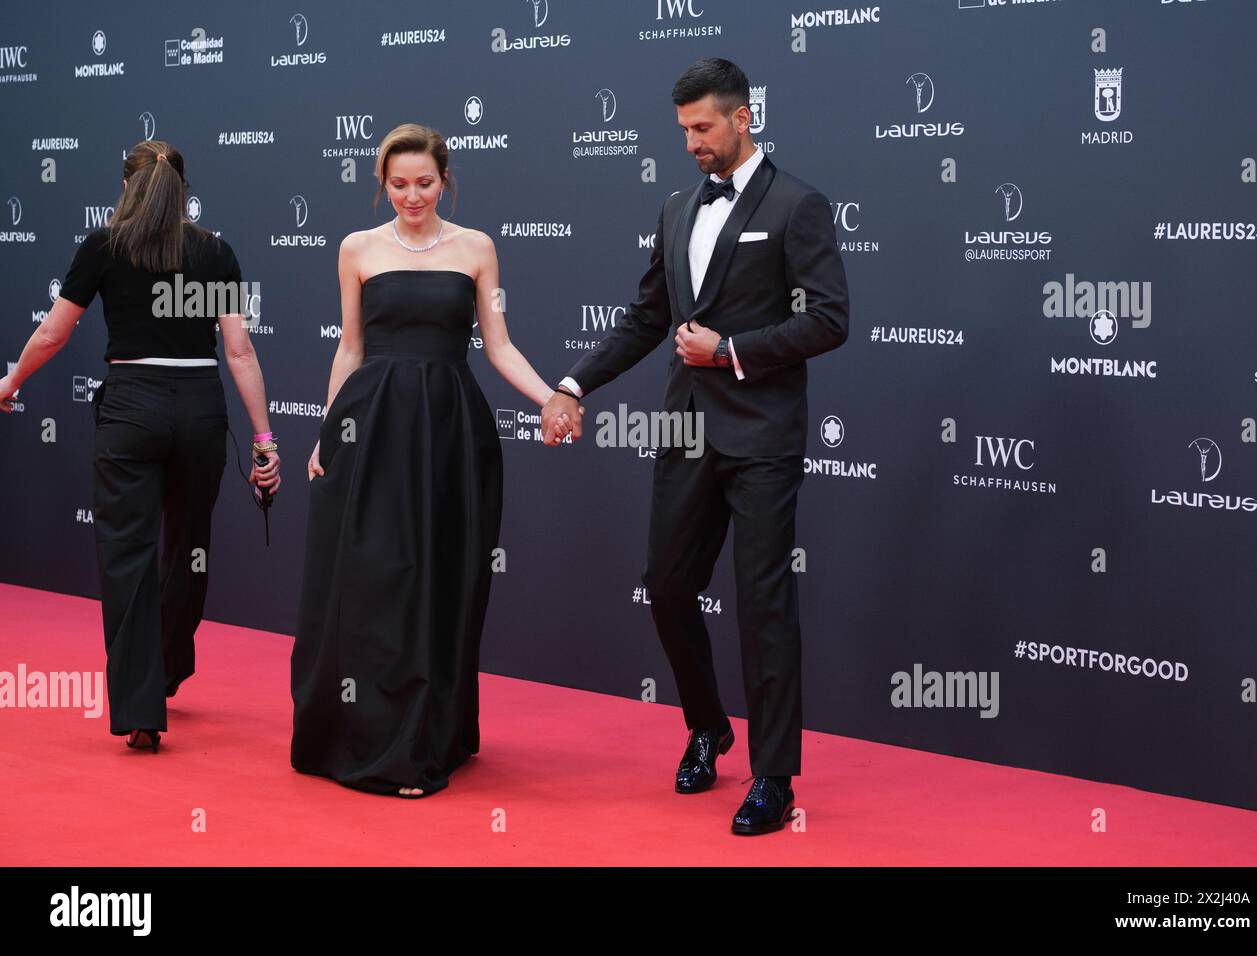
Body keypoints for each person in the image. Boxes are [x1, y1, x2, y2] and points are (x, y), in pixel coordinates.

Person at [540, 58, 850, 834]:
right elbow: (649, 316)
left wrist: (732, 350)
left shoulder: (799, 205)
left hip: (763, 437)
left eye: (703, 128)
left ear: (743, 118)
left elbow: (829, 320)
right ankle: (708, 726)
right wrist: (573, 387)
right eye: (682, 130)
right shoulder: (677, 207)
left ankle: (774, 775)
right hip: (685, 430)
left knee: (763, 602)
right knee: (669, 586)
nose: (690, 143)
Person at [290, 123, 575, 798]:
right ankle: (358, 737)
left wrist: (552, 398)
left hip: (448, 429)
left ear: (445, 180)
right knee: (372, 581)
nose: (411, 196)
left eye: (424, 183)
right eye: (398, 184)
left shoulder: (476, 248)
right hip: (373, 427)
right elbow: (351, 349)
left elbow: (499, 345)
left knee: (438, 581)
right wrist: (327, 432)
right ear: (381, 184)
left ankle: (425, 740)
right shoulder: (357, 249)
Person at [0, 140, 281, 752]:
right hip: (200, 410)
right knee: (188, 546)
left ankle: (139, 706)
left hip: (131, 408)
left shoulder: (105, 245)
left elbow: (53, 334)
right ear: (183, 188)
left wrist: (10, 381)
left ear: (124, 185)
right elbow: (238, 352)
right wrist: (264, 440)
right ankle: (170, 665)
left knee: (127, 554)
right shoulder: (215, 251)